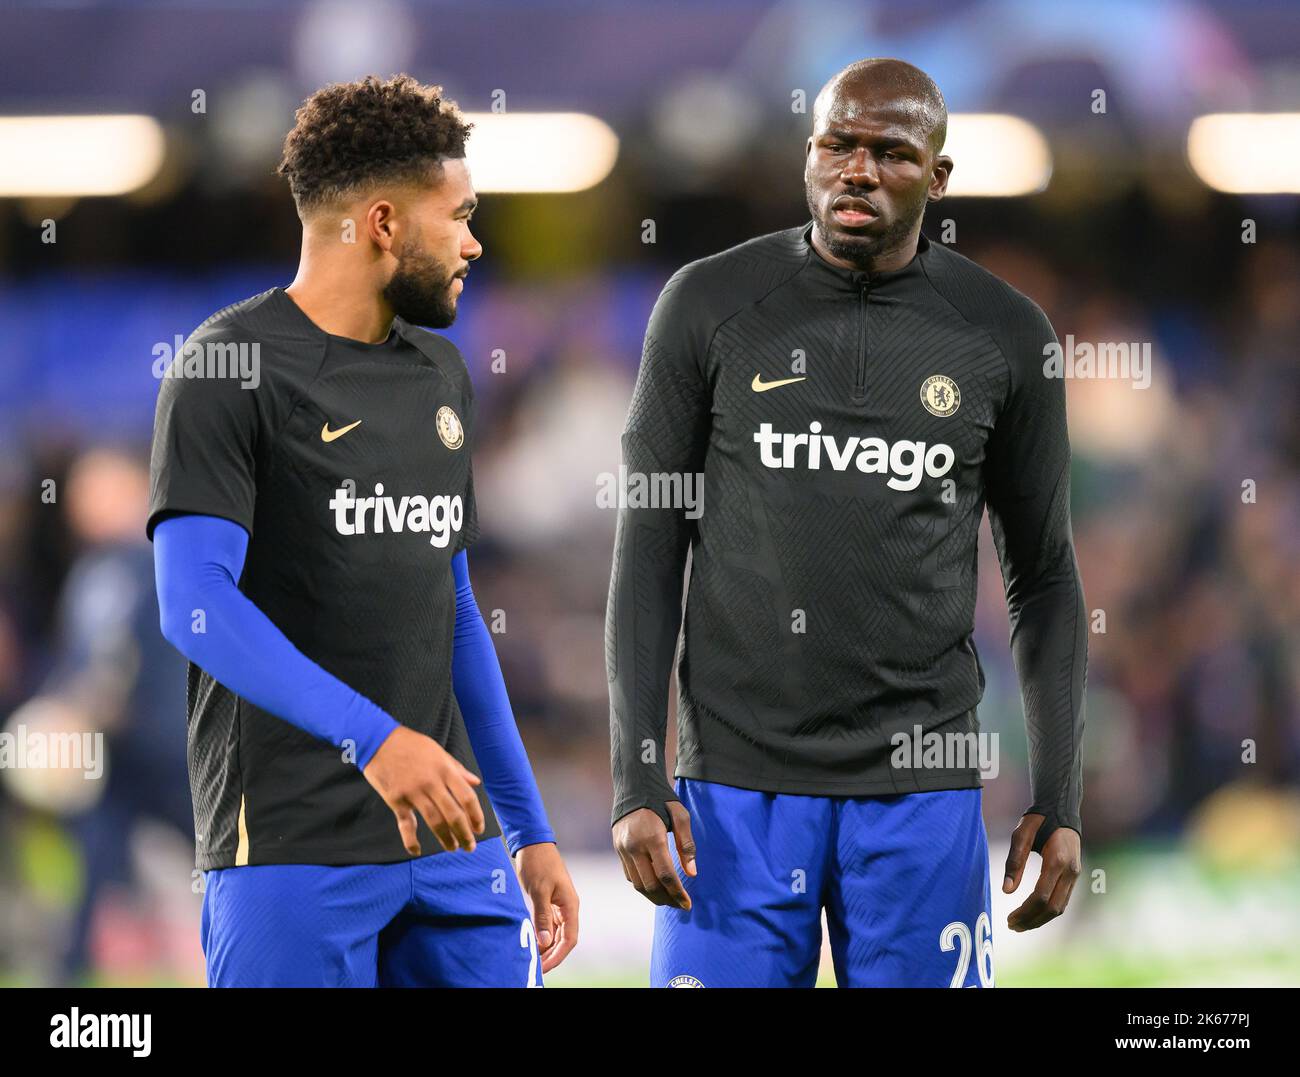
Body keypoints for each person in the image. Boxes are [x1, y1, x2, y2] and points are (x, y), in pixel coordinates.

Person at [607, 58, 1085, 987]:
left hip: (921, 792)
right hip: (734, 793)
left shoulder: (1008, 335)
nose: (857, 169)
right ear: (809, 156)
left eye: (891, 152)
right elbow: (650, 545)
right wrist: (636, 773)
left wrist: (1060, 793)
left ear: (939, 178)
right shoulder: (707, 305)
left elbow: (1047, 578)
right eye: (837, 144)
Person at [149, 74, 577, 987]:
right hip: (292, 848)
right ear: (383, 224)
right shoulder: (227, 368)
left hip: (456, 845)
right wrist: (374, 740)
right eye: (459, 215)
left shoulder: (442, 374)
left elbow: (454, 611)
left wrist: (528, 825)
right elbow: (193, 605)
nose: (474, 242)